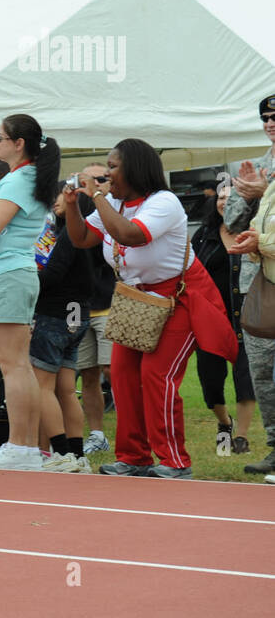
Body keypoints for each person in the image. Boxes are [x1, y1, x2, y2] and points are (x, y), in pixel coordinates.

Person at [65, 139, 237, 478]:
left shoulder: (165, 202)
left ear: (135, 168)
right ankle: (134, 456)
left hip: (179, 297)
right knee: (123, 375)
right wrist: (73, 205)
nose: (107, 175)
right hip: (137, 299)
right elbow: (81, 238)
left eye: (113, 167)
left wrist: (96, 196)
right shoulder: (114, 202)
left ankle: (175, 461)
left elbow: (132, 235)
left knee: (158, 376)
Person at [0, 115, 60, 471]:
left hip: (6, 275)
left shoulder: (20, 178)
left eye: (0, 137)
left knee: (14, 363)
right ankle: (26, 446)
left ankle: (21, 446)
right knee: (18, 363)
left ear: (19, 143)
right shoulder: (25, 177)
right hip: (8, 275)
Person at [224, 93, 275, 476]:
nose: (270, 123)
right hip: (257, 278)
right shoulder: (253, 165)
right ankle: (274, 446)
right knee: (260, 367)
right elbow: (230, 220)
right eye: (265, 118)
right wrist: (249, 197)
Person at [30, 184, 94, 473]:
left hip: (54, 313)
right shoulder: (90, 236)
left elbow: (53, 274)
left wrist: (27, 285)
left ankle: (61, 452)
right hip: (78, 313)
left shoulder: (67, 234)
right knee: (67, 389)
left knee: (43, 387)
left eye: (60, 196)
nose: (55, 201)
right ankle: (78, 455)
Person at [193, 189, 256, 455]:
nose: (225, 203)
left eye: (232, 198)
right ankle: (224, 423)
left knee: (246, 379)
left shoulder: (256, 233)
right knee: (210, 380)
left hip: (248, 319)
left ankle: (240, 438)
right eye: (221, 197)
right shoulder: (203, 236)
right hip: (210, 320)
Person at [74, 163, 115, 455]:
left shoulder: (115, 209)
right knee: (87, 374)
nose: (92, 184)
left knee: (115, 371)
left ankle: (133, 432)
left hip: (110, 304)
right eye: (85, 180)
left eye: (101, 178)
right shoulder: (73, 209)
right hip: (79, 306)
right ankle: (98, 434)